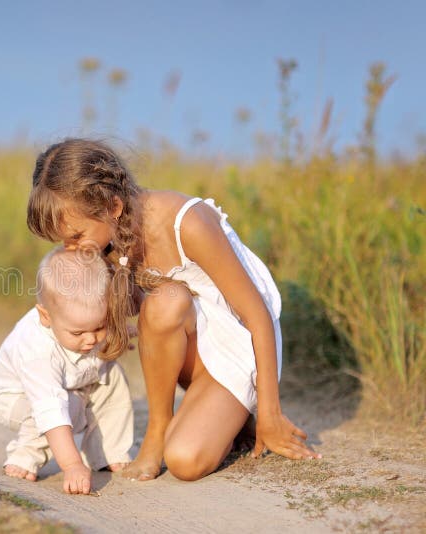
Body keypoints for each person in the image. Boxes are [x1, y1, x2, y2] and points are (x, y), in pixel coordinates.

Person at [26, 138, 320, 483]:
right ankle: (161, 427)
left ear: (113, 206)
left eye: (75, 236)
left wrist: (271, 412)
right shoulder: (106, 243)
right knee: (164, 305)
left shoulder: (187, 224)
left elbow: (259, 316)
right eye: (62, 241)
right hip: (195, 353)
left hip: (239, 348)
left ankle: (240, 415)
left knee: (184, 461)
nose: (70, 248)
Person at [0, 246, 134, 494]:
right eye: (78, 332)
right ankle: (26, 454)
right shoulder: (37, 351)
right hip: (18, 397)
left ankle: (108, 451)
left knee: (112, 376)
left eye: (100, 326)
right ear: (46, 316)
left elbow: (91, 330)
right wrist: (72, 465)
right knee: (65, 406)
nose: (90, 340)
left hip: (71, 381)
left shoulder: (80, 326)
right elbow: (49, 408)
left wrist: (117, 333)